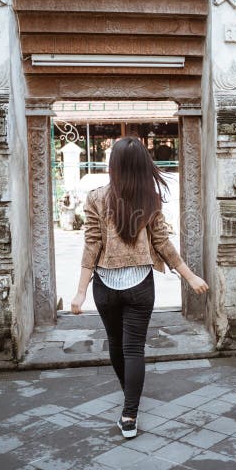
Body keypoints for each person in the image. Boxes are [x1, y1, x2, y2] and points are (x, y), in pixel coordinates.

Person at [71, 136, 208, 439]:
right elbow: (162, 243)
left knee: (117, 345)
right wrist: (191, 276)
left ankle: (129, 397)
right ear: (142, 164)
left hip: (104, 287)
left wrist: (81, 291)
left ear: (113, 165)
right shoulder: (151, 198)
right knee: (134, 349)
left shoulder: (95, 197)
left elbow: (91, 245)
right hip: (140, 287)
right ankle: (130, 413)